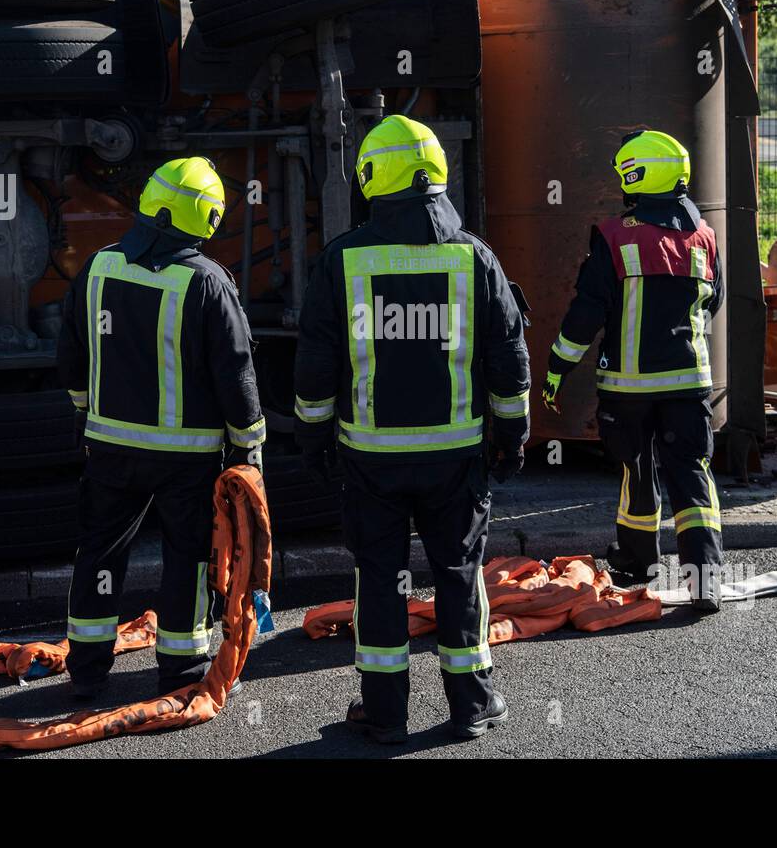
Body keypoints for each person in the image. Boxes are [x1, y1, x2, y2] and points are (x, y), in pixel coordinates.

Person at [293, 114, 531, 743]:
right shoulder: (475, 258)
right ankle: (472, 705)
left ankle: (385, 714)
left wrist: (313, 442)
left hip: (370, 461)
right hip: (456, 459)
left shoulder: (342, 261)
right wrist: (512, 438)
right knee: (459, 573)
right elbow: (510, 365)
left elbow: (316, 366)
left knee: (379, 580)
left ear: (372, 178)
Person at [57, 156, 265, 698]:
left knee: (99, 553)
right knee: (188, 558)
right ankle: (181, 671)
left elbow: (71, 355)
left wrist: (85, 414)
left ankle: (85, 672)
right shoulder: (207, 283)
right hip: (187, 459)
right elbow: (236, 373)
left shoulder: (98, 267)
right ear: (208, 219)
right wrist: (249, 450)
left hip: (109, 450)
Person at [542, 129, 724, 611]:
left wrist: (557, 366)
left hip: (629, 389)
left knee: (637, 472)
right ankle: (706, 581)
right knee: (692, 474)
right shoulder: (704, 236)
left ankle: (637, 565)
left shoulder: (613, 235)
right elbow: (715, 302)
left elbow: (587, 313)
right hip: (690, 385)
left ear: (636, 175)